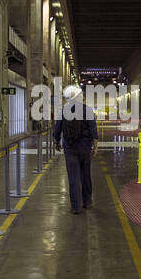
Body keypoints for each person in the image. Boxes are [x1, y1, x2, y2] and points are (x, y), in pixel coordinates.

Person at [53, 84, 98, 214]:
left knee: (73, 178)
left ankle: (76, 207)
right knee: (85, 175)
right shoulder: (88, 110)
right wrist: (95, 147)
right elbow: (93, 130)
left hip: (70, 148)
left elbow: (57, 128)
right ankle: (87, 201)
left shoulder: (64, 110)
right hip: (85, 147)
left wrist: (56, 141)